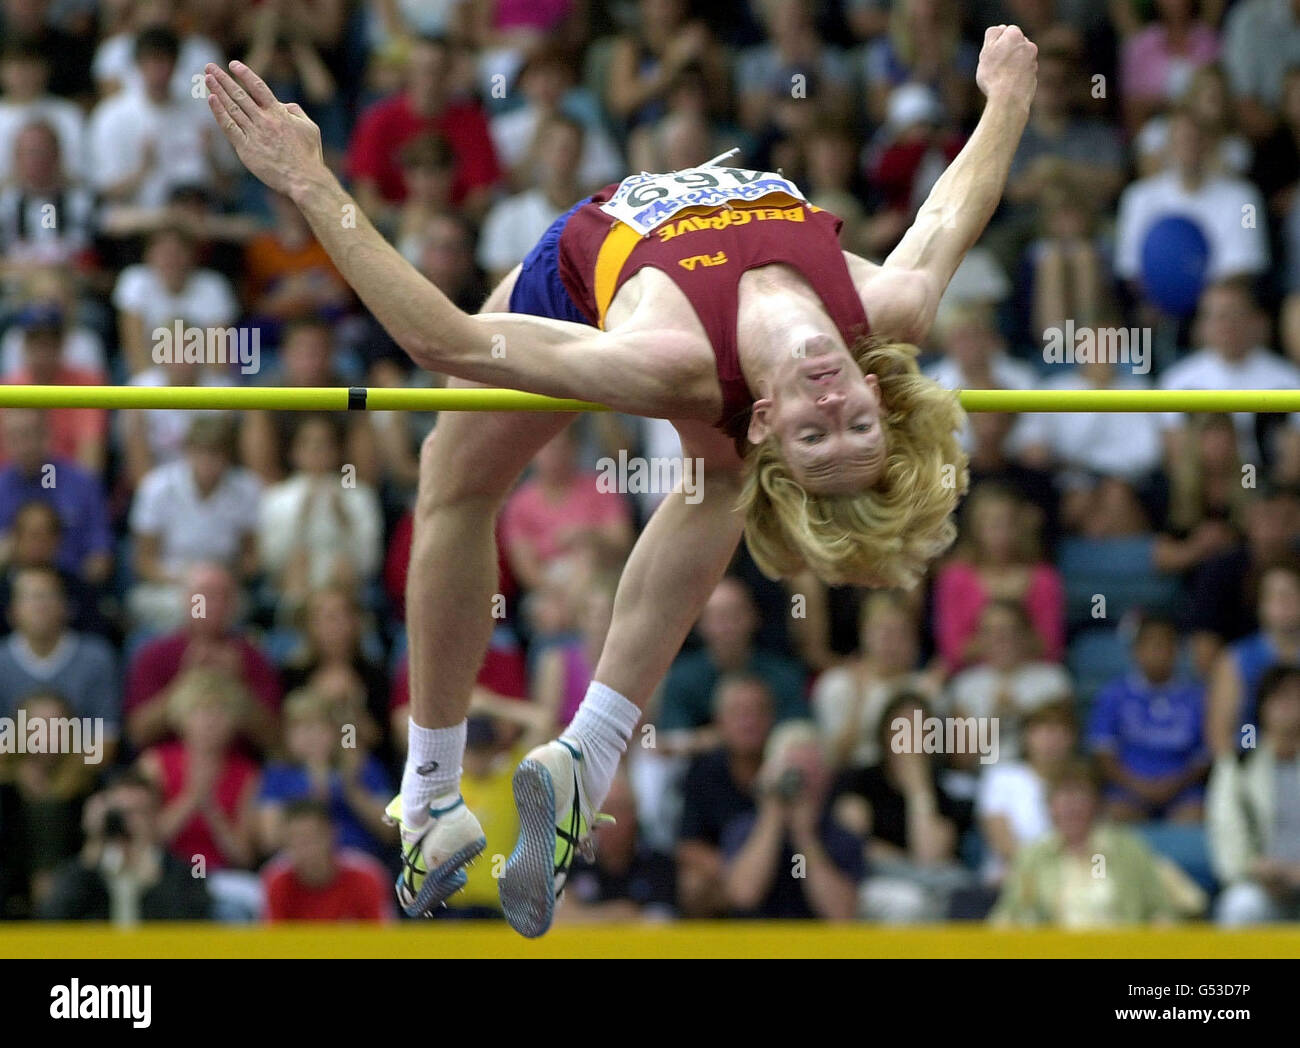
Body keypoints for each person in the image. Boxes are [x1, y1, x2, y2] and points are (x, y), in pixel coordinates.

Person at [203, 23, 1039, 935]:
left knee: (455, 480)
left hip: (575, 287)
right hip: (699, 325)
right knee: (720, 474)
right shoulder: (888, 307)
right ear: (877, 393)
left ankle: (436, 793)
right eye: (856, 423)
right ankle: (583, 762)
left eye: (814, 430)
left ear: (771, 418)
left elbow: (441, 340)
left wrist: (310, 183)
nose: (833, 401)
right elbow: (955, 207)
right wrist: (1008, 96)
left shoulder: (668, 361)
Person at [991, 759, 1180, 927]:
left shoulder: (1128, 850)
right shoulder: (1033, 857)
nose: (1072, 806)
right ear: (1050, 806)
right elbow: (1008, 917)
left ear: (1096, 803)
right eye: (1063, 796)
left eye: (1080, 795)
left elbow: (1161, 912)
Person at [721, 720, 862, 919]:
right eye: (795, 771)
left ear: (828, 778)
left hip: (817, 938)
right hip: (756, 937)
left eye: (813, 772)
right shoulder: (743, 828)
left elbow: (841, 914)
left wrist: (805, 837)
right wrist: (772, 818)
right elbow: (744, 895)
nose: (804, 782)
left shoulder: (842, 838)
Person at [39, 769, 212, 921]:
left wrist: (154, 884)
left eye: (139, 812)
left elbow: (187, 932)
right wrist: (92, 848)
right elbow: (51, 919)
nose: (127, 822)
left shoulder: (185, 875)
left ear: (156, 816)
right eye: (120, 813)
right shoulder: (87, 870)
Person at [1088, 616, 1209, 823]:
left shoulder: (1197, 697)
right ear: (1135, 651)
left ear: (1177, 651)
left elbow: (1205, 756)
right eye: (1150, 646)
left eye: (1164, 646)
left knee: (1194, 819)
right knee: (1112, 819)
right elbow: (1102, 752)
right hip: (1127, 789)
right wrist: (1138, 785)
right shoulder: (1114, 694)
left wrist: (1174, 784)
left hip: (1183, 790)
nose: (1157, 654)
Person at [1208, 665, 1300, 924]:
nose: (1289, 705)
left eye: (1296, 697)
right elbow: (1227, 833)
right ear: (1262, 706)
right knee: (1239, 906)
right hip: (1263, 884)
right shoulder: (1238, 765)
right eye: (1280, 696)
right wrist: (1256, 868)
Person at [263, 799, 393, 922]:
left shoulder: (366, 876)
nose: (306, 848)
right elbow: (271, 936)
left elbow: (385, 934)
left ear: (332, 834)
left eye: (312, 838)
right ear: (285, 842)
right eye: (296, 839)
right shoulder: (276, 881)